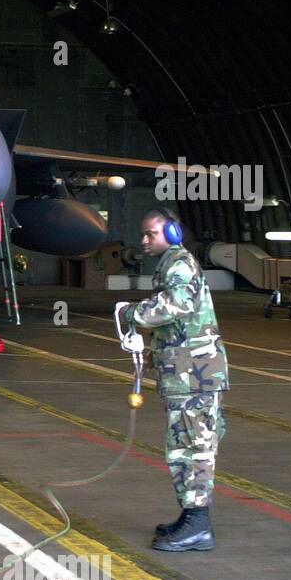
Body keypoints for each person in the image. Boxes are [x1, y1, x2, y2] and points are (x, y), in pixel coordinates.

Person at [119, 207, 229, 551]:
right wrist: (154, 352)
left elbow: (176, 306)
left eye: (150, 233)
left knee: (193, 448)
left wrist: (131, 313)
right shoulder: (171, 264)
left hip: (194, 376)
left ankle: (198, 525)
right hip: (186, 371)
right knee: (184, 444)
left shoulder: (179, 264)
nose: (144, 240)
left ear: (172, 232)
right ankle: (191, 515)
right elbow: (182, 325)